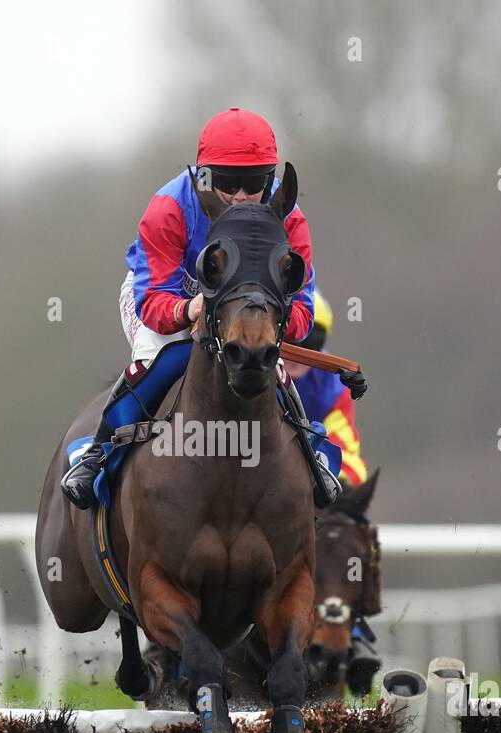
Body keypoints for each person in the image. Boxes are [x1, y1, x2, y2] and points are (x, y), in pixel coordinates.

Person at [61, 107, 358, 510]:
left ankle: (310, 448)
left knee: (273, 367)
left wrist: (270, 324)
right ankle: (96, 453)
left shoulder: (290, 219)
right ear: (203, 178)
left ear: (271, 180)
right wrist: (191, 311)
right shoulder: (168, 208)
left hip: (244, 312)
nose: (239, 195)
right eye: (226, 181)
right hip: (165, 296)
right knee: (160, 360)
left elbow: (302, 312)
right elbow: (152, 301)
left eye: (253, 183)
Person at [287, 289, 368, 489]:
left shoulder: (333, 389)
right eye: (288, 337)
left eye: (312, 340)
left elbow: (352, 467)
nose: (299, 350)